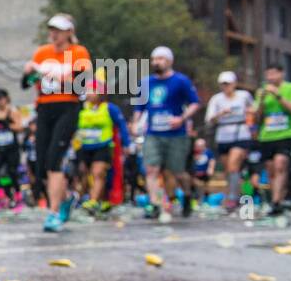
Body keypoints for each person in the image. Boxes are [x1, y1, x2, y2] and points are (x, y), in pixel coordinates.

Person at [23, 13, 91, 233]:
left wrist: (55, 76)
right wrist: (29, 73)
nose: (54, 34)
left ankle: (53, 214)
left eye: (59, 30)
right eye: (52, 30)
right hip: (44, 108)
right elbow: (27, 83)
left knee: (55, 159)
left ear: (69, 32)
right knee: (42, 166)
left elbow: (82, 86)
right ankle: (67, 198)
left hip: (68, 107)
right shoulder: (42, 52)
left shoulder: (79, 53)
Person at [134, 46, 200, 223]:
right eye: (154, 59)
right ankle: (155, 204)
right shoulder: (146, 82)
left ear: (170, 61)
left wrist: (182, 118)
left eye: (161, 59)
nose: (157, 62)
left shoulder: (181, 81)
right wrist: (134, 124)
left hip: (176, 134)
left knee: (177, 172)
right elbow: (139, 107)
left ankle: (187, 194)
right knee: (151, 169)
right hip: (153, 133)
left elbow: (195, 103)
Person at [75, 80, 131, 215]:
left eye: (92, 90)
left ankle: (93, 201)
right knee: (85, 175)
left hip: (103, 146)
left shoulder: (110, 108)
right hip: (84, 147)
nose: (89, 93)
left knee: (98, 173)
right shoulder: (81, 108)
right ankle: (98, 199)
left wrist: (127, 143)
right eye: (87, 90)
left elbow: (122, 126)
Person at [205, 71, 255, 212]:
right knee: (229, 170)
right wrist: (221, 114)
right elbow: (209, 119)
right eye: (223, 84)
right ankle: (235, 195)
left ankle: (232, 198)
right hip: (223, 135)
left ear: (234, 84)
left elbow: (254, 110)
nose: (225, 87)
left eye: (228, 84)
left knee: (233, 166)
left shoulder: (244, 96)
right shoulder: (217, 99)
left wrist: (251, 118)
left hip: (241, 133)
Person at [257, 62, 291, 215]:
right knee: (271, 170)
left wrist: (278, 95)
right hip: (267, 136)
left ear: (282, 74)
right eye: (268, 74)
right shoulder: (262, 91)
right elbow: (257, 118)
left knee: (281, 165)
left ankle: (276, 202)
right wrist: (261, 101)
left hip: (285, 134)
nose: (271, 77)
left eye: (274, 73)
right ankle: (277, 200)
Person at [0, 90, 25, 213]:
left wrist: (7, 125)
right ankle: (2, 199)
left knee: (12, 172)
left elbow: (20, 127)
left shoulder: (12, 111)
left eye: (0, 99)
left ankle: (18, 199)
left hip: (12, 147)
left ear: (6, 98)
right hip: (0, 147)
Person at [192, 138, 216, 202]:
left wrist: (211, 168)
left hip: (205, 173)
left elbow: (212, 161)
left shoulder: (208, 152)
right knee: (196, 184)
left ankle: (206, 199)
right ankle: (196, 198)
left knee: (206, 186)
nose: (199, 148)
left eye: (201, 146)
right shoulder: (193, 152)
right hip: (195, 173)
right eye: (197, 146)